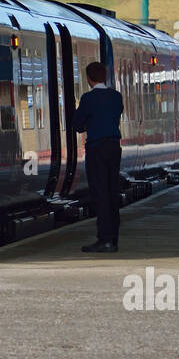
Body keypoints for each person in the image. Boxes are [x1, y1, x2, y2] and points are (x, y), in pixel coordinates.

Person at [72, 61, 124, 253]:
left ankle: (104, 239)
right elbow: (116, 115)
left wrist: (88, 124)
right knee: (112, 192)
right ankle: (114, 239)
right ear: (104, 77)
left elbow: (77, 125)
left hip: (96, 149)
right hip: (114, 147)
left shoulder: (88, 99)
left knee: (100, 193)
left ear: (89, 79)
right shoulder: (116, 97)